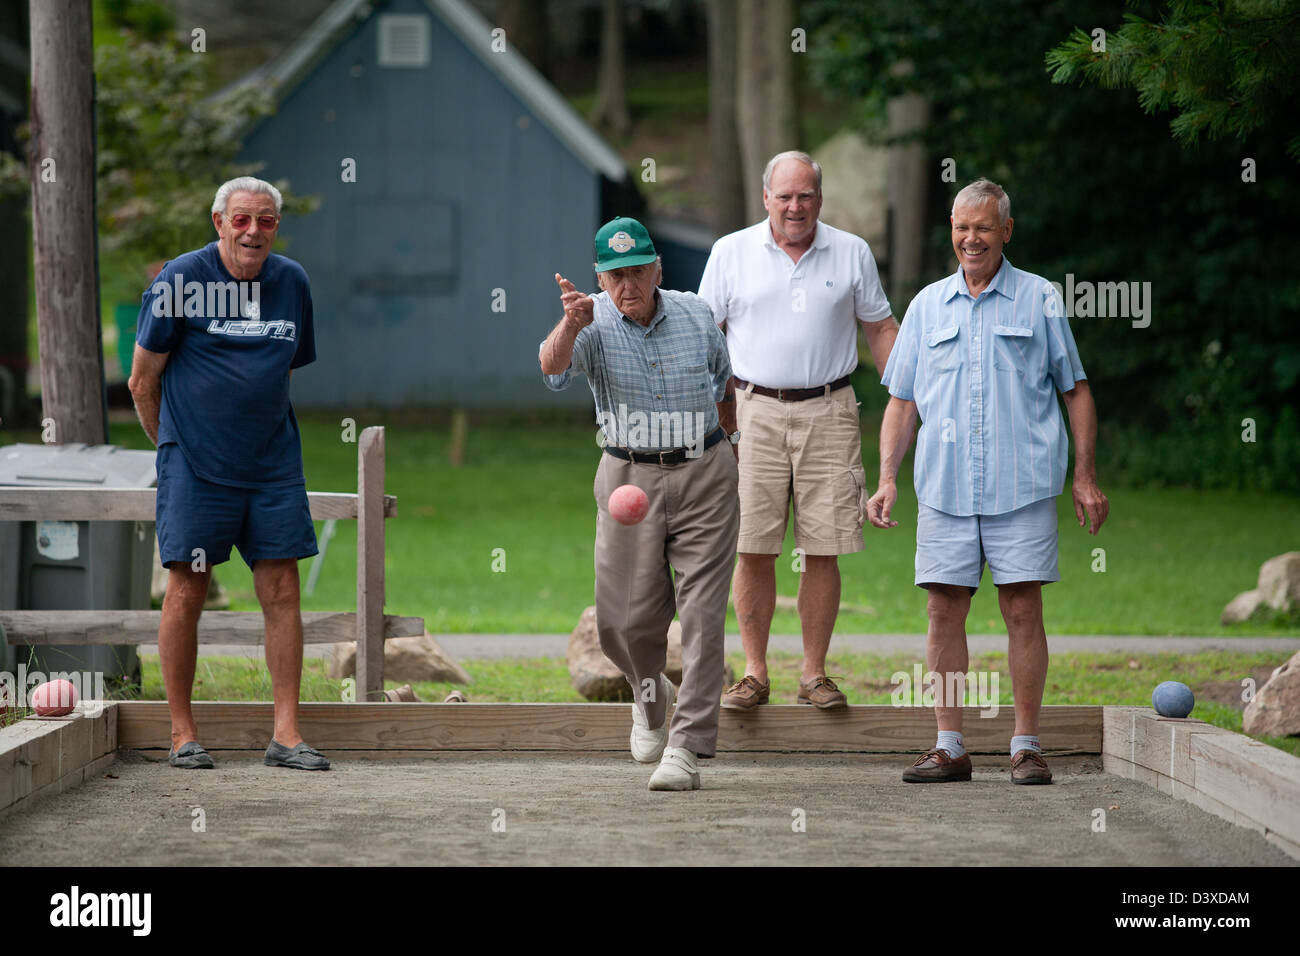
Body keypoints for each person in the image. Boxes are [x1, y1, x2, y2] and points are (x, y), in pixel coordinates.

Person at [867, 178, 1108, 785]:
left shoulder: (1040, 299)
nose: (970, 238)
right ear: (950, 231)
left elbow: (1075, 390)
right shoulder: (926, 306)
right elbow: (901, 402)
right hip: (944, 489)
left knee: (1022, 607)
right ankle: (950, 746)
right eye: (960, 227)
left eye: (982, 227)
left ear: (1005, 231)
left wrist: (1084, 476)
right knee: (943, 610)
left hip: (1021, 484)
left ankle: (1026, 745)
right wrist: (887, 478)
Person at [129, 176, 328, 771]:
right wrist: (175, 446)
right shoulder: (180, 282)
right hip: (194, 467)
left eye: (265, 221)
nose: (253, 231)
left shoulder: (291, 282)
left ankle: (286, 736)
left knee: (283, 589)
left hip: (271, 467)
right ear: (218, 222)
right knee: (187, 591)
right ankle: (182, 734)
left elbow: (282, 370)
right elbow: (143, 381)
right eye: (241, 219)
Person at [540, 217, 739, 791]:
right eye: (615, 275)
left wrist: (729, 447)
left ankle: (687, 747)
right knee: (621, 625)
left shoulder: (697, 312)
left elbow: (723, 381)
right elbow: (552, 370)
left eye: (637, 272)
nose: (628, 285)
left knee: (702, 614)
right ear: (600, 279)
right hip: (628, 478)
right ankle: (651, 695)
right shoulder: (590, 321)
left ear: (658, 268)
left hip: (704, 470)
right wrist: (570, 325)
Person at [698, 150, 897, 711]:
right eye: (783, 196)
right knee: (752, 545)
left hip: (830, 408)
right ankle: (755, 674)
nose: (794, 206)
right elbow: (706, 337)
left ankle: (814, 675)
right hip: (750, 409)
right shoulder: (730, 252)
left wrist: (908, 391)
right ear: (765, 198)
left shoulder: (851, 251)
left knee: (824, 546)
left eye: (805, 195)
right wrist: (718, 416)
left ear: (820, 199)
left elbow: (879, 326)